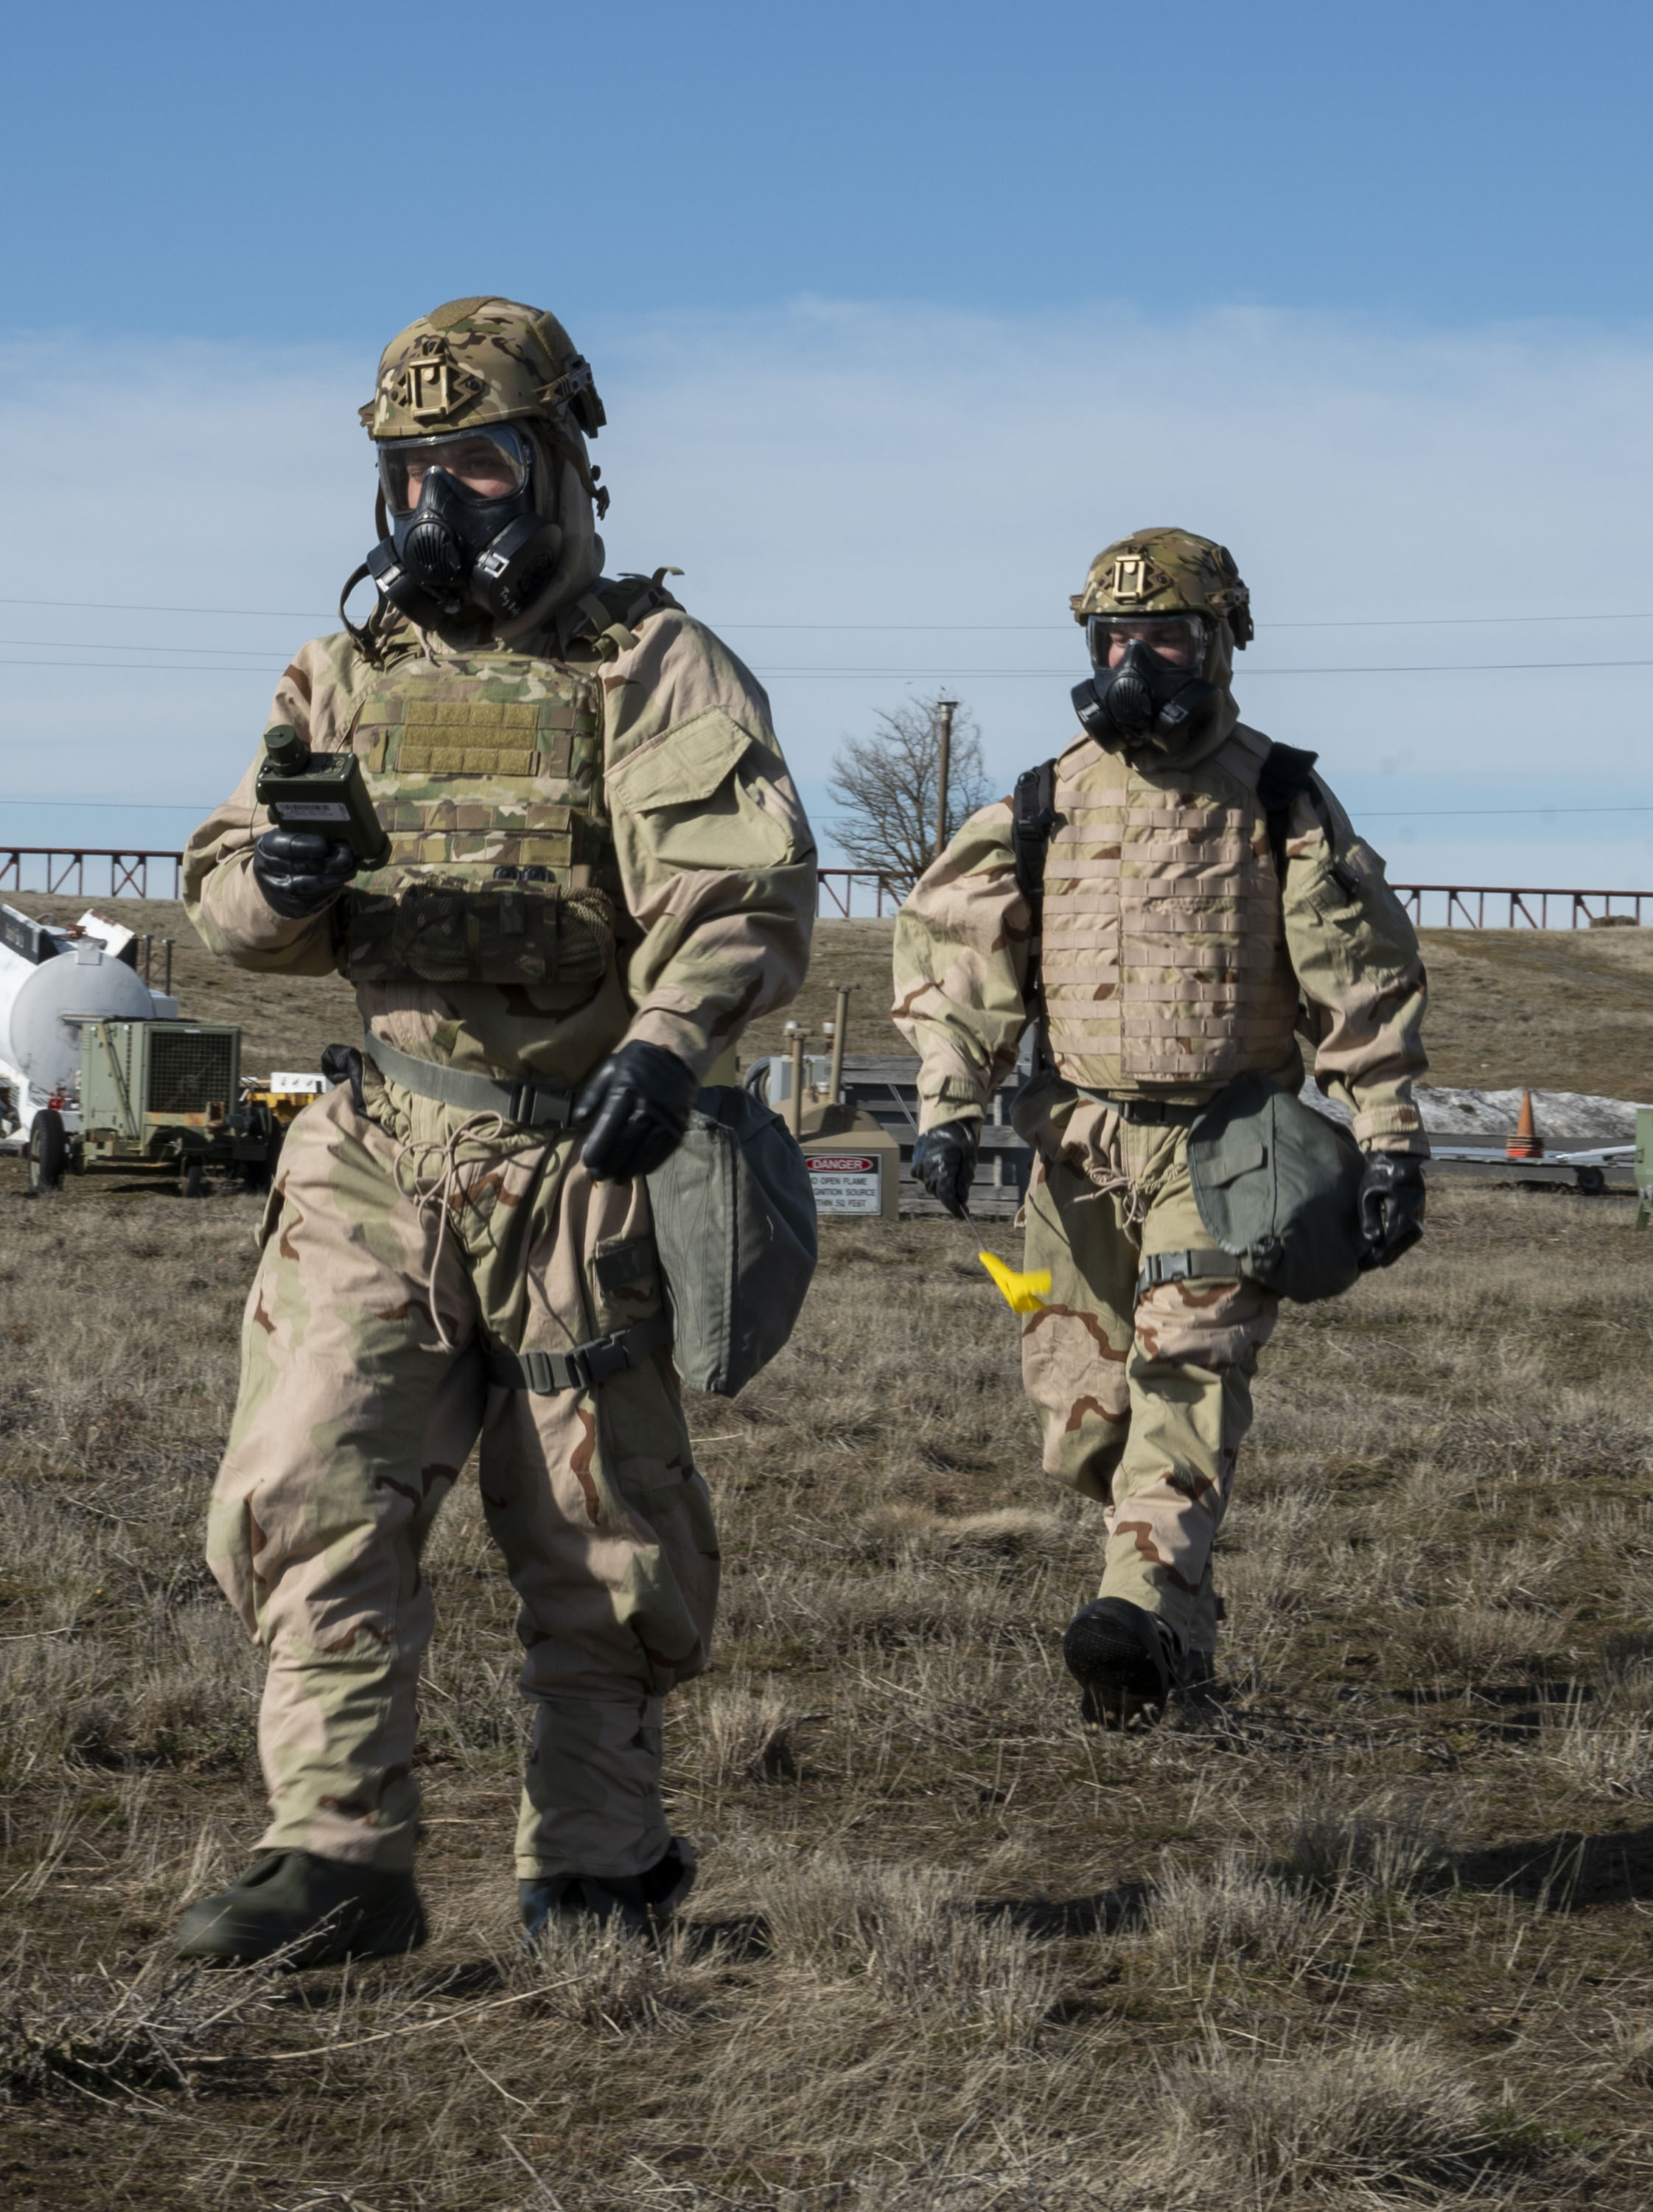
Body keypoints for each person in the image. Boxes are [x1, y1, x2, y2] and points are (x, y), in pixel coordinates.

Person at [170, 298, 817, 1964]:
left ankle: (597, 1864)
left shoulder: (652, 664)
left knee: (599, 1534)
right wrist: (277, 885)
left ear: (555, 466)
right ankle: (336, 1857)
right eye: (408, 473)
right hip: (378, 1149)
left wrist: (668, 1046)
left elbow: (738, 891)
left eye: (473, 463)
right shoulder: (342, 674)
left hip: (576, 1166)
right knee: (310, 1487)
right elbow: (223, 893)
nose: (435, 504)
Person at [889, 529, 1430, 1728]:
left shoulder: (1278, 797)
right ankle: (1174, 1625)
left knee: (1185, 1370)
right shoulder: (1042, 801)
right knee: (1081, 1416)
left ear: (1222, 643)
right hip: (1074, 1153)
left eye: (1167, 639)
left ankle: (1131, 1607)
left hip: (1227, 1149)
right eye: (1112, 640)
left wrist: (1388, 1136)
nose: (1134, 664)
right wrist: (948, 1106)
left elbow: (1358, 976)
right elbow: (957, 956)